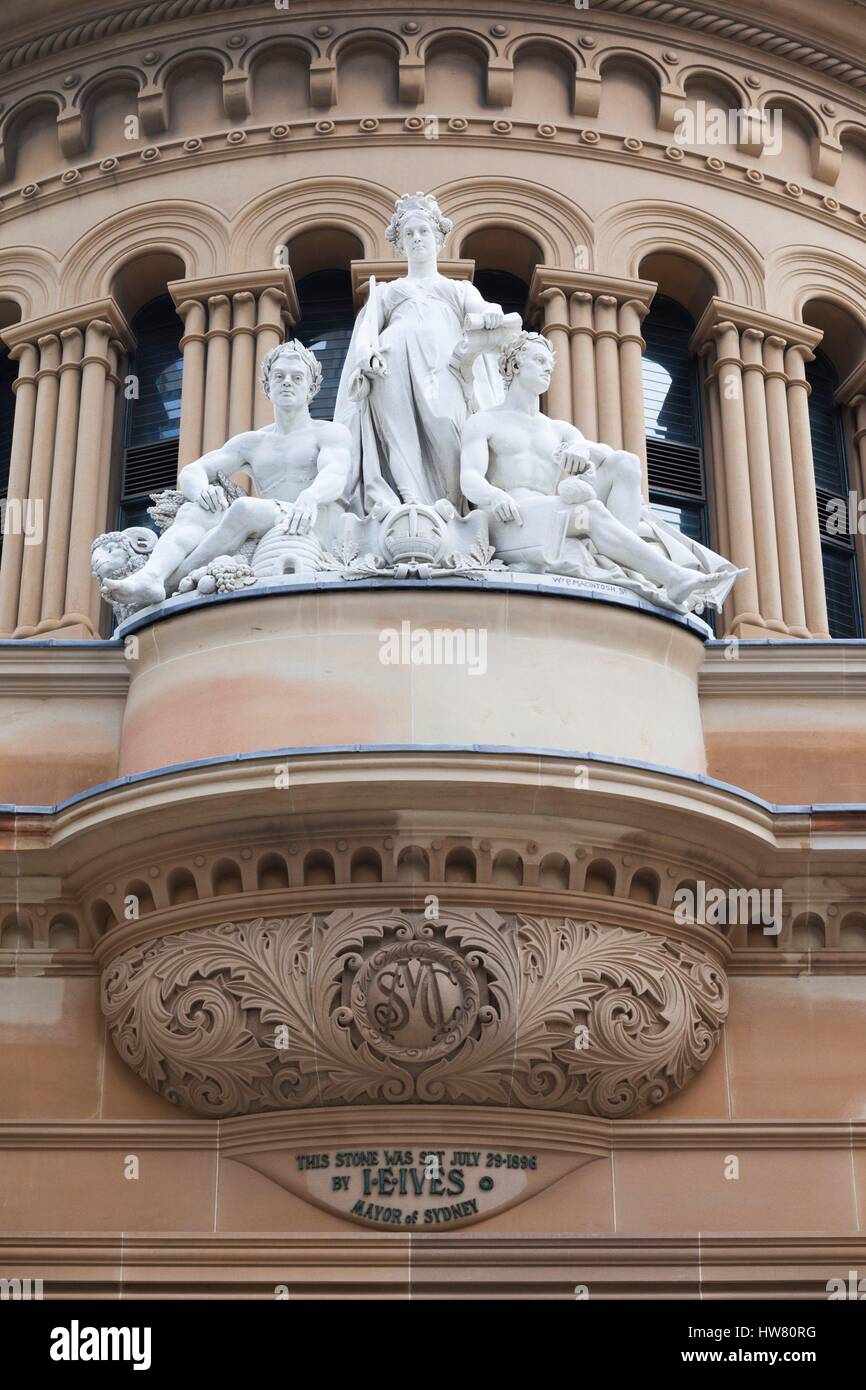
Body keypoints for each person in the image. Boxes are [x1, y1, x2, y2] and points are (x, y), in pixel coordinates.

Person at [460, 331, 742, 612]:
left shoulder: (559, 430)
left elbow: (605, 456)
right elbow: (469, 478)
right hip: (510, 521)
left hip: (549, 515)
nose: (548, 368)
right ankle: (673, 576)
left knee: (626, 462)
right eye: (539, 360)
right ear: (515, 365)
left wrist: (584, 449)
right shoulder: (485, 421)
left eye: (550, 363)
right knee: (588, 511)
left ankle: (626, 561)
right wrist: (494, 496)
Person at [102, 341, 352, 608]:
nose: (287, 382)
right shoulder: (253, 443)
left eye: (297, 377)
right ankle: (152, 576)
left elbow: (335, 472)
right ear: (267, 386)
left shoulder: (328, 432)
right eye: (279, 376)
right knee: (195, 511)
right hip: (274, 517)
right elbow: (192, 471)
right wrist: (202, 491)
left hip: (315, 522)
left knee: (243, 508)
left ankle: (167, 585)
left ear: (311, 388)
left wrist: (312, 496)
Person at [335, 191, 507, 514]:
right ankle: (410, 500)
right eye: (409, 234)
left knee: (447, 425)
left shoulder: (458, 289)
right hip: (392, 364)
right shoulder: (386, 291)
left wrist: (493, 313)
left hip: (445, 367)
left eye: (423, 231)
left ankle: (454, 510)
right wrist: (366, 356)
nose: (416, 239)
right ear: (400, 244)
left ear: (438, 239)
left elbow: (486, 310)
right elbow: (365, 334)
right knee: (397, 432)